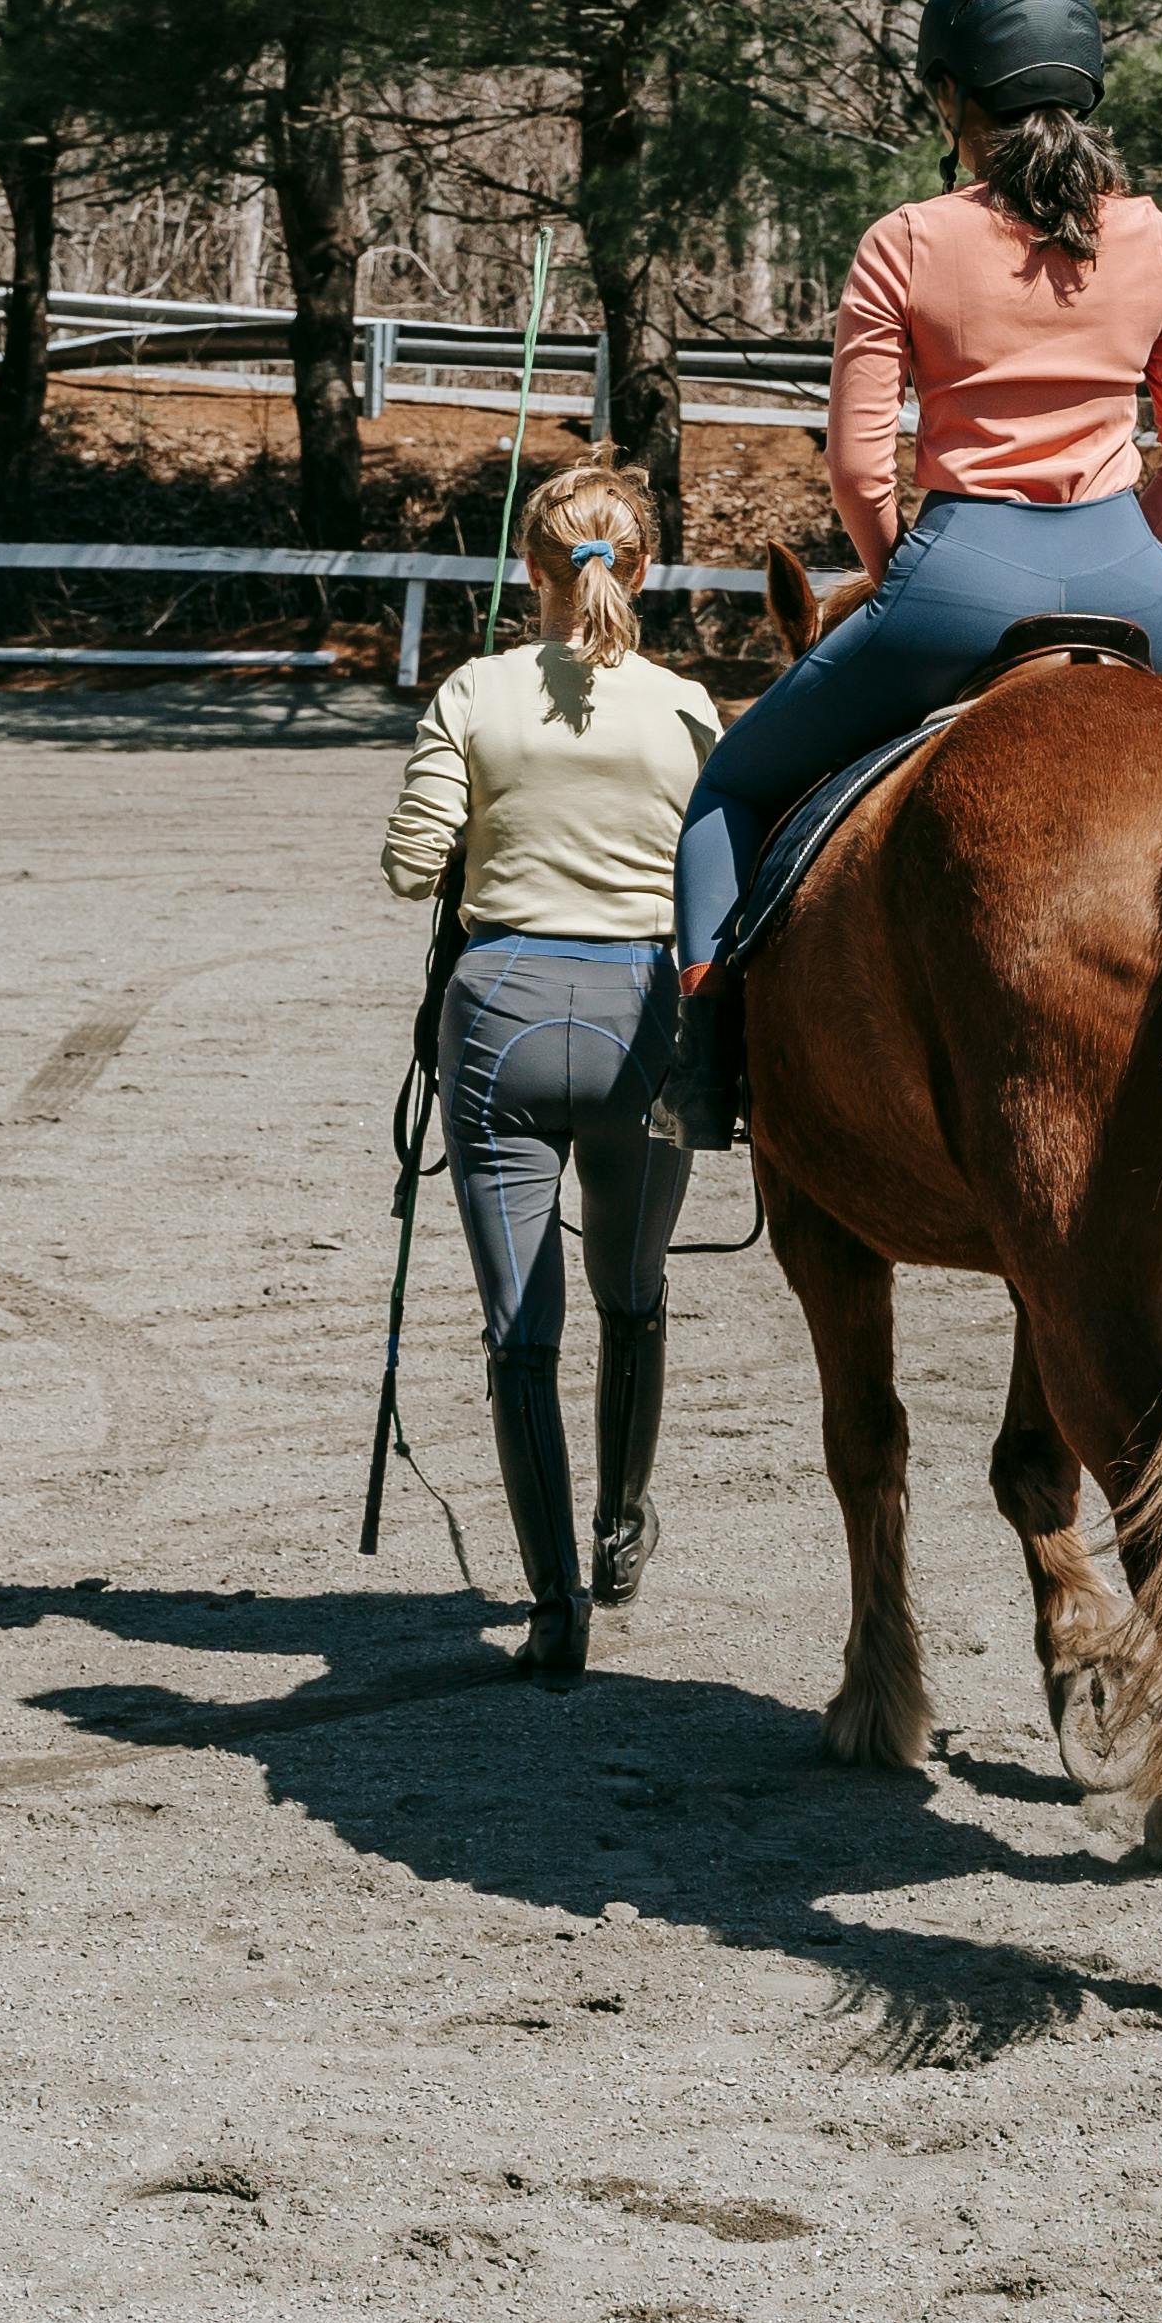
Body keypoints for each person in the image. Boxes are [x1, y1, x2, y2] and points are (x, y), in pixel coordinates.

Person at [670, 0, 1162, 1106]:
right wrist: (1131, 548)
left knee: (731, 783)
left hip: (959, 576)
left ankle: (707, 1065)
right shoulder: (1156, 238)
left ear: (952, 98)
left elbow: (857, 463)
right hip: (1130, 575)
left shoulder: (909, 238)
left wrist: (898, 576)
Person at [381, 463, 720, 1684]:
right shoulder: (688, 706)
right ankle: (623, 1526)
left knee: (521, 1331)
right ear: (642, 568)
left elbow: (410, 865)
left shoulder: (475, 689)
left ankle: (554, 1604)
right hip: (643, 1020)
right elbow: (718, 879)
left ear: (532, 569)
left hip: (501, 1016)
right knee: (631, 1289)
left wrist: (487, 824)